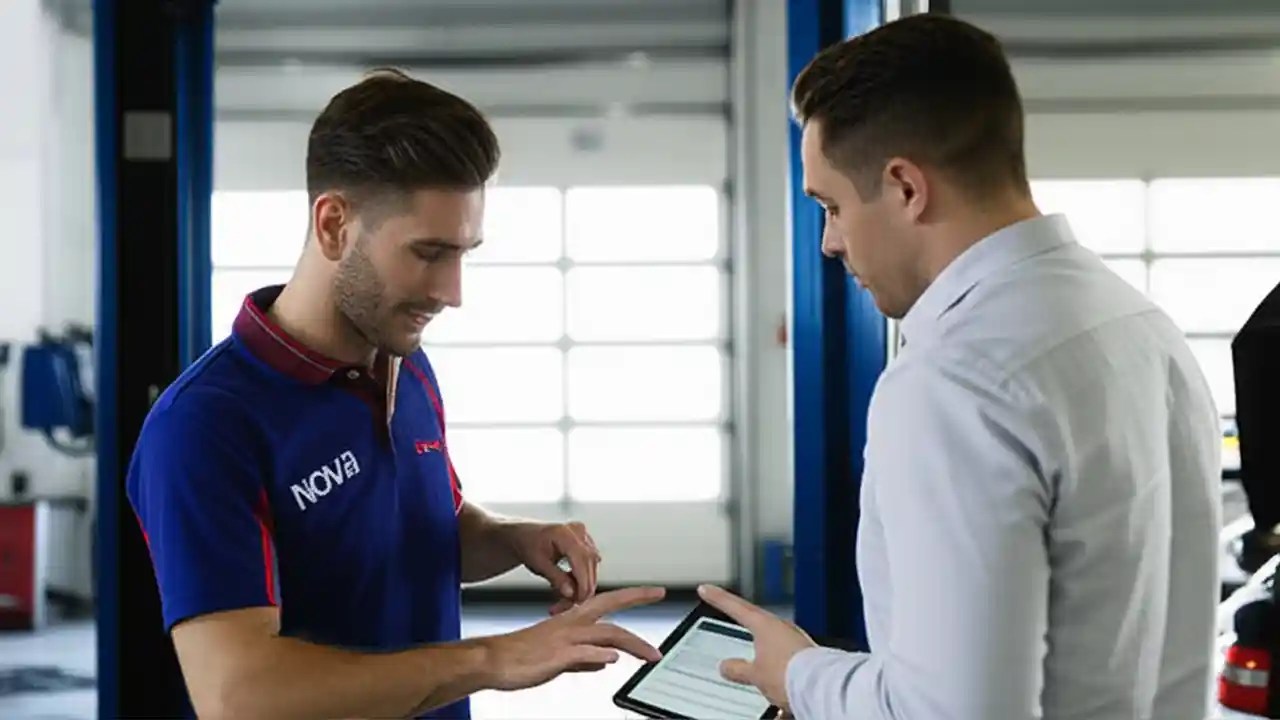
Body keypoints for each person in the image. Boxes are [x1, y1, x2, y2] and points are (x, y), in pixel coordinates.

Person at [699, 14, 1222, 720]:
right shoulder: (1136, 323)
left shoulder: (953, 382)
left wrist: (800, 675)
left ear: (907, 188)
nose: (829, 242)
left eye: (831, 207)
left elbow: (955, 711)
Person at [126, 69, 664, 720]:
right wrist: (495, 659)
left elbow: (422, 526)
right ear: (333, 225)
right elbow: (239, 694)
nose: (452, 291)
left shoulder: (405, 366)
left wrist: (513, 537)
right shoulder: (205, 426)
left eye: (464, 253)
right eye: (429, 253)